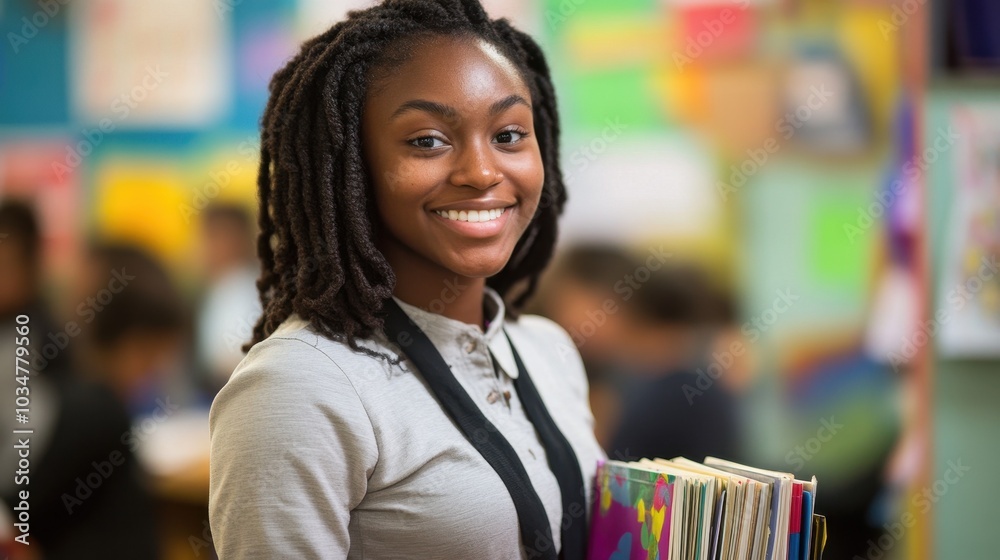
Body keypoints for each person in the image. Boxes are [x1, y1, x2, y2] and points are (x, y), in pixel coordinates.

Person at [208, 1, 606, 559]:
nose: (483, 172)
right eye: (427, 141)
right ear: (349, 164)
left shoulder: (548, 351)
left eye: (509, 134)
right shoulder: (301, 384)